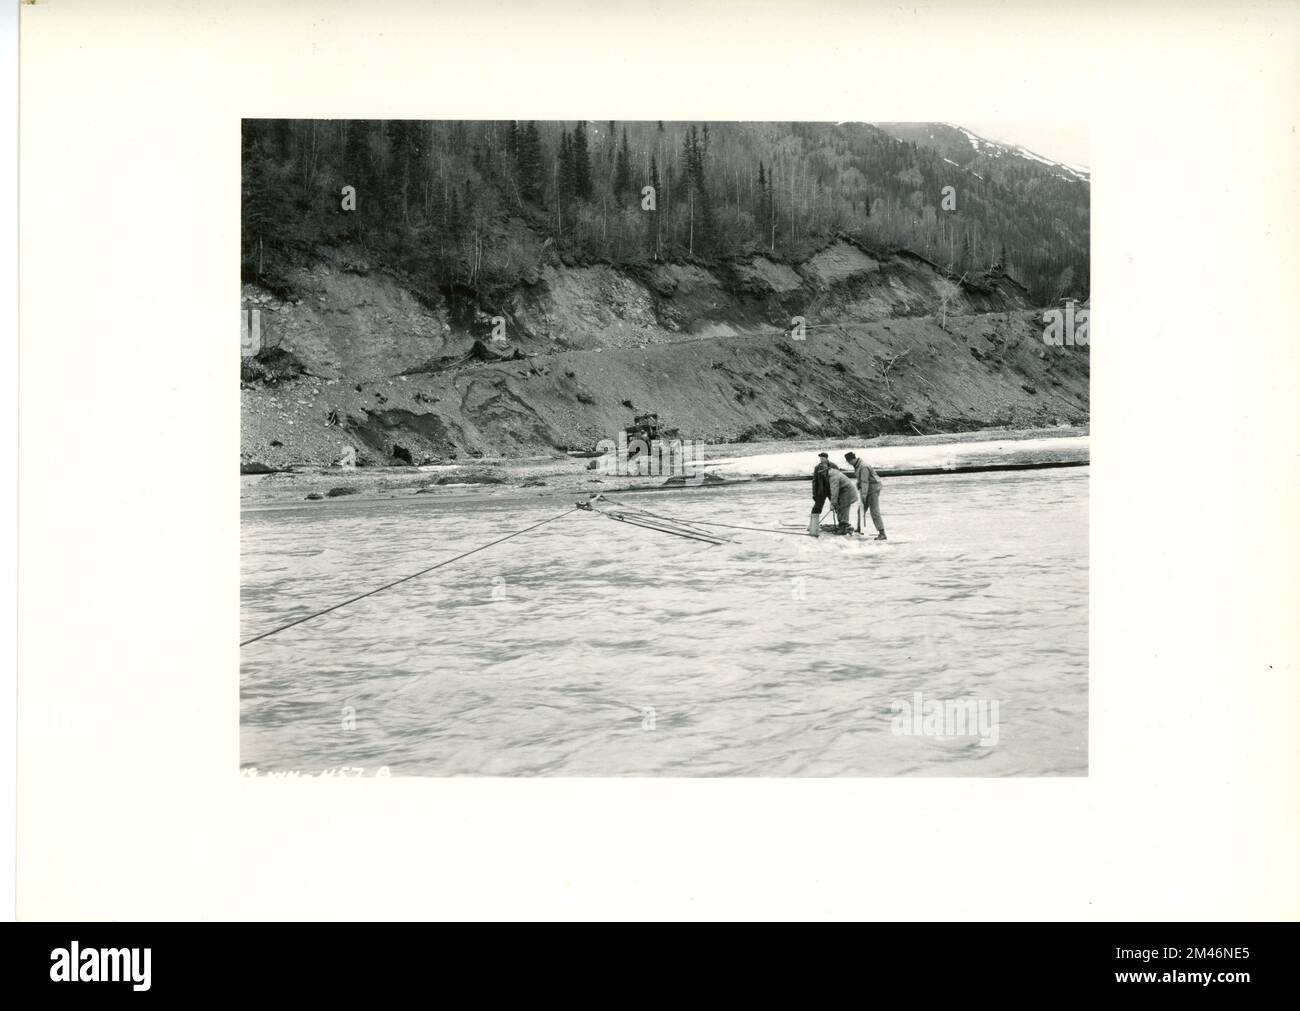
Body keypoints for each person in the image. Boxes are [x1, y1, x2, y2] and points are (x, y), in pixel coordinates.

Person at [844, 451, 886, 540]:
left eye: (848, 462)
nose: (849, 464)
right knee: (860, 510)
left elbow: (865, 482)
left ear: (852, 459)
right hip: (867, 488)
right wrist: (858, 484)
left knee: (874, 511)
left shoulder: (863, 466)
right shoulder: (857, 465)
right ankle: (859, 529)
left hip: (873, 488)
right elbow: (861, 480)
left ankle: (882, 533)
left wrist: (863, 495)